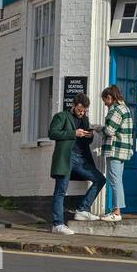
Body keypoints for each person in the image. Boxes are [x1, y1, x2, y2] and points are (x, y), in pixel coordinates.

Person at [48, 92, 106, 235]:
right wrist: (73, 133)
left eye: (84, 110)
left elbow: (85, 141)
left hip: (80, 159)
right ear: (73, 106)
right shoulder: (61, 116)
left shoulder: (85, 120)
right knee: (61, 190)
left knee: (100, 179)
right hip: (66, 158)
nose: (82, 113)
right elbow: (52, 133)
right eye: (80, 110)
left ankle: (82, 209)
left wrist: (89, 136)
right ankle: (58, 224)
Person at [100, 85, 136, 222]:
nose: (105, 103)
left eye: (105, 100)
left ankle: (116, 212)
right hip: (124, 149)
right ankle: (116, 210)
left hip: (115, 149)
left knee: (114, 181)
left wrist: (98, 128)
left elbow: (109, 130)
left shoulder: (115, 110)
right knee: (118, 180)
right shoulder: (126, 108)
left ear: (110, 97)